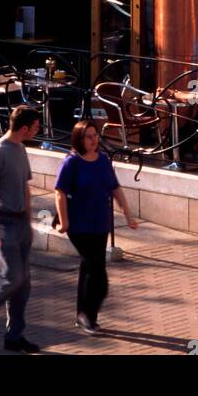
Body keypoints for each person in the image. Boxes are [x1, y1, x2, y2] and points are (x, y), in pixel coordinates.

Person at [54, 120, 138, 334]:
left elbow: (115, 188)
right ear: (79, 139)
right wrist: (64, 222)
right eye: (89, 136)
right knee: (98, 274)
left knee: (88, 267)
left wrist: (128, 215)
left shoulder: (102, 160)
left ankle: (84, 315)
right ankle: (88, 316)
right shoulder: (71, 163)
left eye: (95, 135)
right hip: (79, 226)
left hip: (101, 224)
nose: (94, 139)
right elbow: (60, 192)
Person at [0, 104, 41, 353]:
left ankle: (14, 336)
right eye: (35, 127)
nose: (38, 130)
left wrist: (29, 220)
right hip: (4, 223)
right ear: (24, 128)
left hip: (21, 222)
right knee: (12, 275)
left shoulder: (21, 149)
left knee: (24, 283)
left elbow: (25, 186)